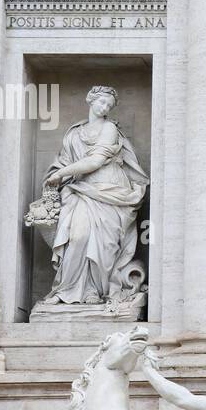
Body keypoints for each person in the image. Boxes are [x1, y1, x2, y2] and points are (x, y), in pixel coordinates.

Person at [42, 86, 148, 306]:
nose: (105, 107)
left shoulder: (109, 128)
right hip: (82, 190)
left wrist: (62, 174)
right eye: (101, 102)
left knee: (103, 245)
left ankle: (94, 291)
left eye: (109, 105)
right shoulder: (74, 133)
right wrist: (57, 177)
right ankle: (66, 290)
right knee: (78, 237)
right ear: (90, 100)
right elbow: (64, 161)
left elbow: (95, 161)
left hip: (110, 191)